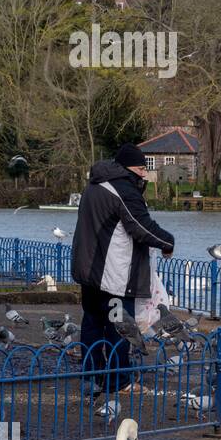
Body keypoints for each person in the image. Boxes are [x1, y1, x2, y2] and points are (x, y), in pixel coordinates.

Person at [70, 144, 175, 391]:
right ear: (129, 168)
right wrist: (168, 242)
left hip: (88, 270)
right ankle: (119, 382)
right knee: (121, 328)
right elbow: (142, 226)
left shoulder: (95, 185)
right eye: (141, 168)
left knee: (92, 323)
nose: (145, 175)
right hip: (113, 275)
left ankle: (92, 377)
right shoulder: (123, 189)